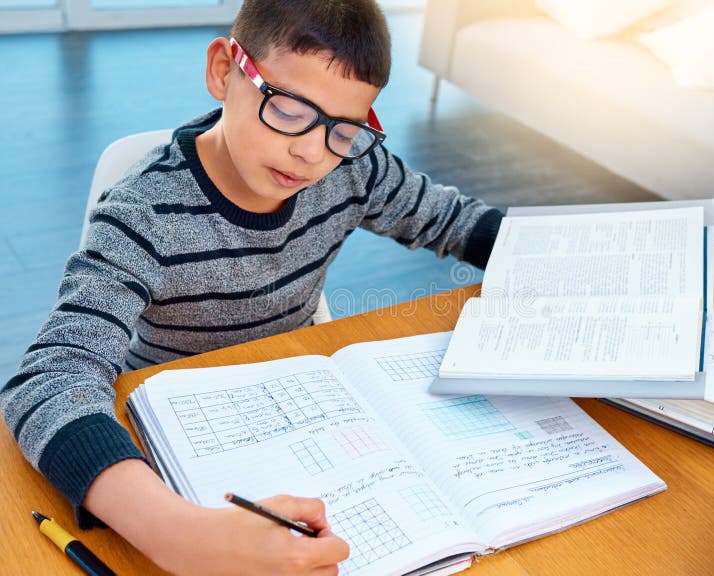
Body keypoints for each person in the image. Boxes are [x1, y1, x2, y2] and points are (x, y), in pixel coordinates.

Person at [0, 1, 502, 574]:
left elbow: (455, 220)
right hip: (173, 435)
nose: (311, 152)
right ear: (223, 71)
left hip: (299, 409)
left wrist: (565, 265)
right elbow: (50, 381)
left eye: (344, 130)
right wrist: (178, 536)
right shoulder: (144, 216)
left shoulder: (351, 169)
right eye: (287, 109)